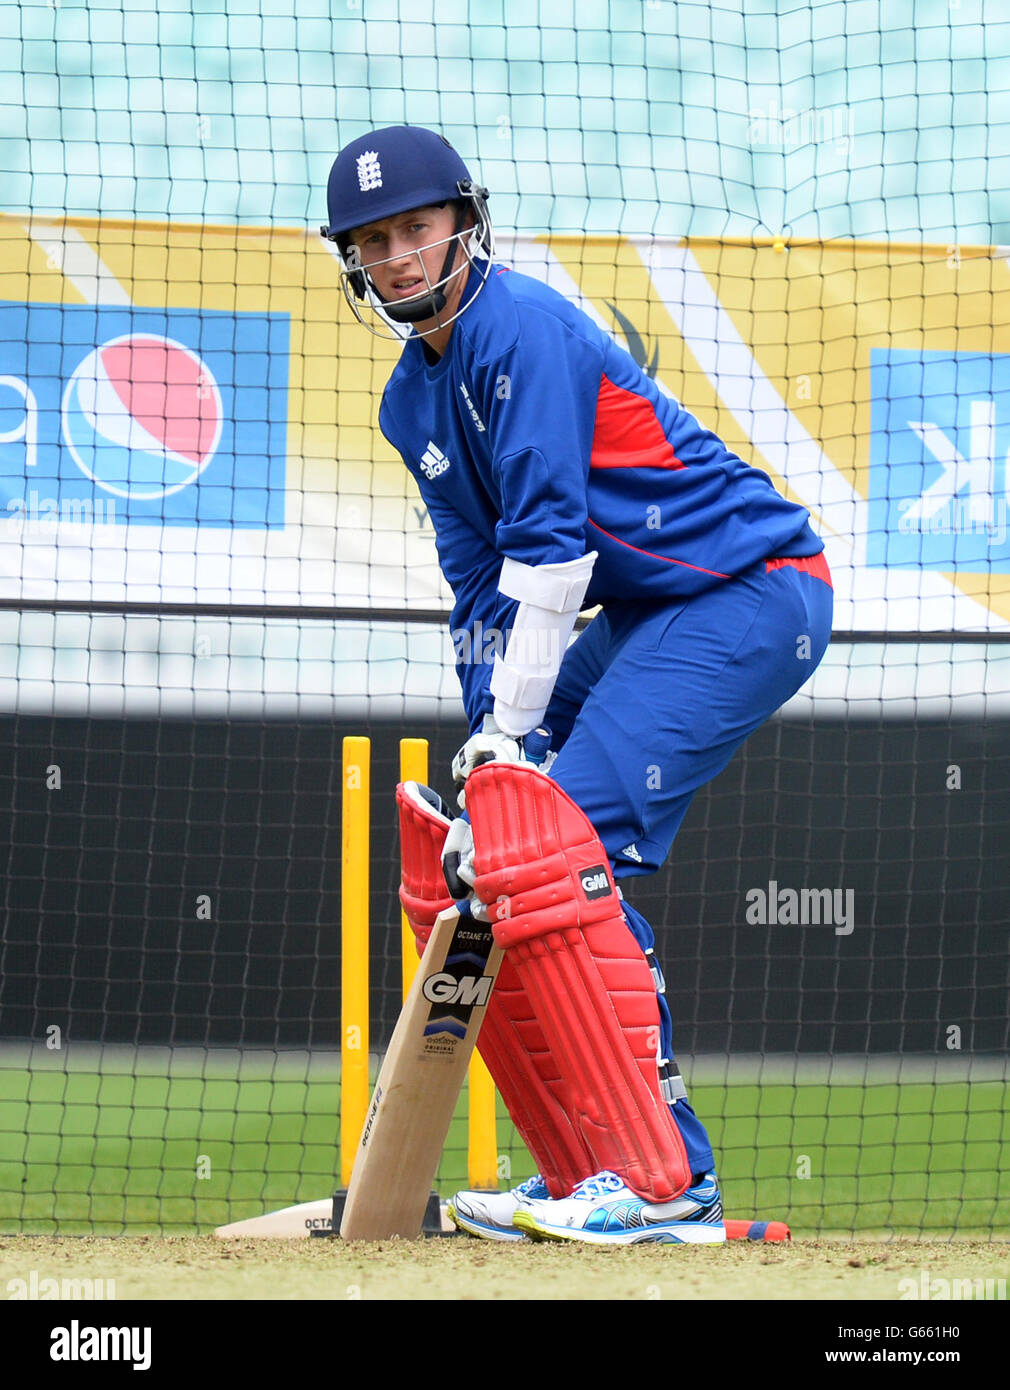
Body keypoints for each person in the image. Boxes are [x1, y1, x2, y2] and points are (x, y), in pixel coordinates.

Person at [321, 126, 833, 1244]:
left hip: (752, 589)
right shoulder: (409, 406)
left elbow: (549, 552)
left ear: (464, 220)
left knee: (572, 839)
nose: (400, 256)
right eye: (375, 241)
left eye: (415, 228)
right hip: (658, 609)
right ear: (354, 261)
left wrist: (514, 758)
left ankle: (665, 1184)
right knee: (513, 842)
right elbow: (478, 598)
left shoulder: (523, 330)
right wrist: (489, 764)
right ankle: (587, 1173)